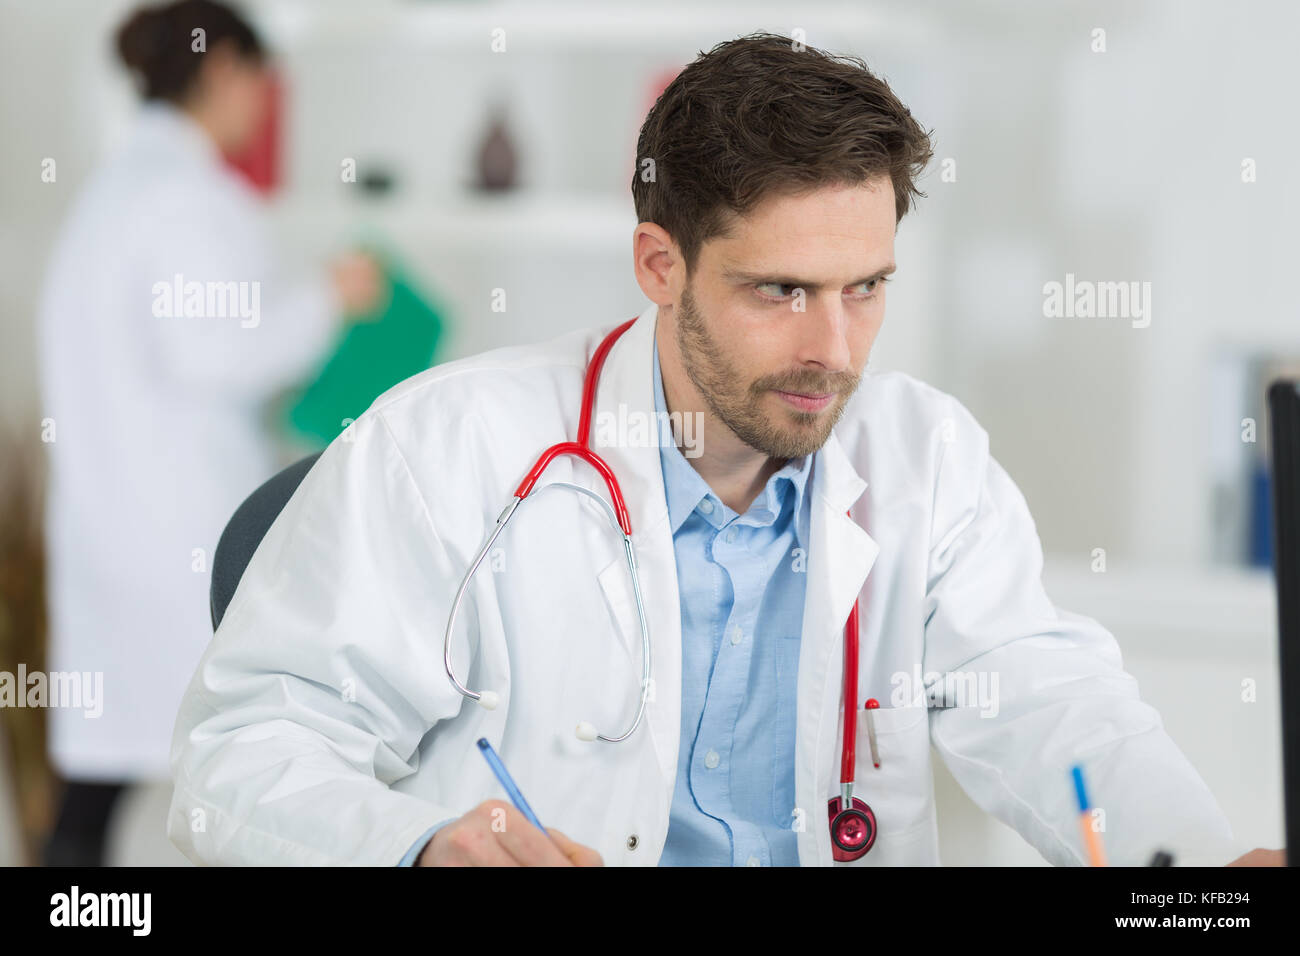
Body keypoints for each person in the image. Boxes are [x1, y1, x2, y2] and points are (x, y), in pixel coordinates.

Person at [167, 32, 1282, 867]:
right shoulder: (447, 447)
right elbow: (240, 757)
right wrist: (418, 844)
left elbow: (1051, 708)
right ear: (660, 264)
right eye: (780, 290)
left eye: (865, 289)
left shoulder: (924, 460)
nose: (832, 348)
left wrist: (1198, 868)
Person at [37, 0, 383, 866]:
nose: (265, 103)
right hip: (172, 528)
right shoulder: (180, 196)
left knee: (110, 775)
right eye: (261, 80)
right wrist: (330, 298)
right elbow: (220, 346)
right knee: (232, 753)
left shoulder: (120, 189)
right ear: (222, 67)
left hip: (121, 521)